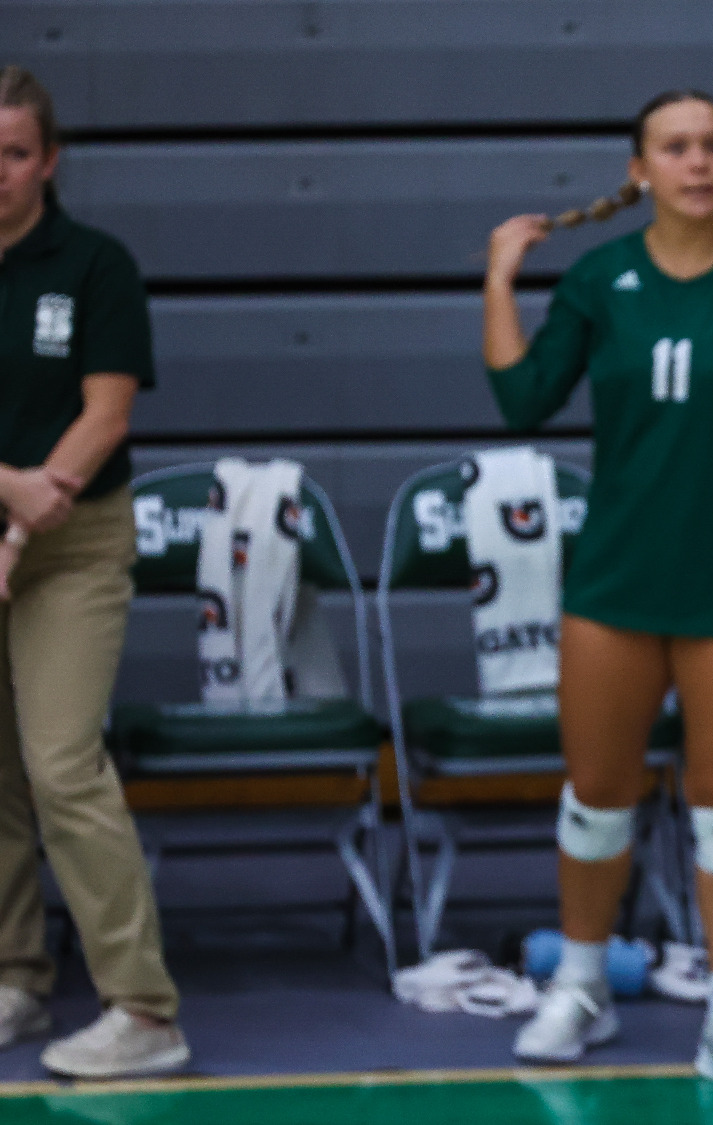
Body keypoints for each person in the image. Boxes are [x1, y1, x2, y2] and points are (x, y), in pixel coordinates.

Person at [482, 89, 713, 1096]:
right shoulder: (600, 278)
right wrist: (501, 281)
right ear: (639, 169)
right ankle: (581, 987)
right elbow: (522, 399)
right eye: (674, 148)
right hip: (615, 580)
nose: (697, 162)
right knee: (596, 799)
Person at [0, 66, 187, 1079]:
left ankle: (144, 1010)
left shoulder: (94, 264)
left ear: (50, 160)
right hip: (12, 510)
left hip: (72, 542)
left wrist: (23, 523)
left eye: (14, 153)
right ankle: (16, 983)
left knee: (61, 763)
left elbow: (106, 414)